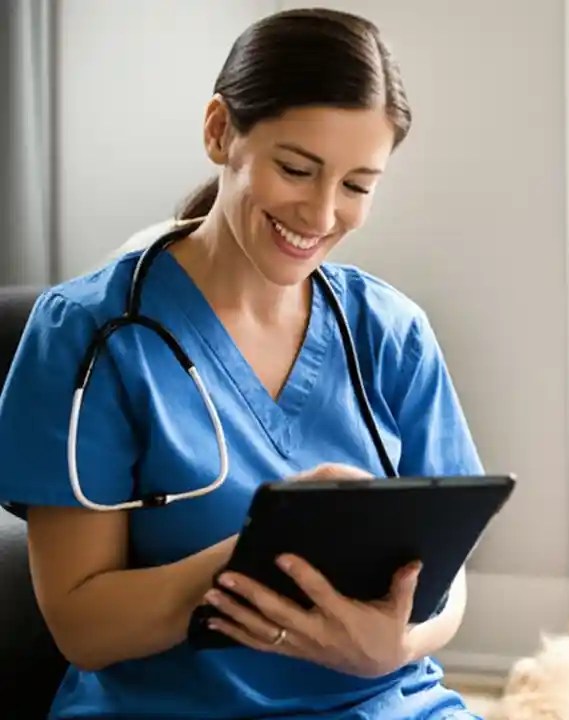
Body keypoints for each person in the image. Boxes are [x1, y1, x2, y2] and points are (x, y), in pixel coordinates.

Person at [0, 8, 485, 719]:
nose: (322, 214)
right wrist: (266, 545)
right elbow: (83, 627)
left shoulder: (391, 331)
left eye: (357, 186)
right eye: (297, 169)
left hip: (388, 701)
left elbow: (449, 577)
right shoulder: (88, 334)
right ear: (220, 131)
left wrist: (397, 646)